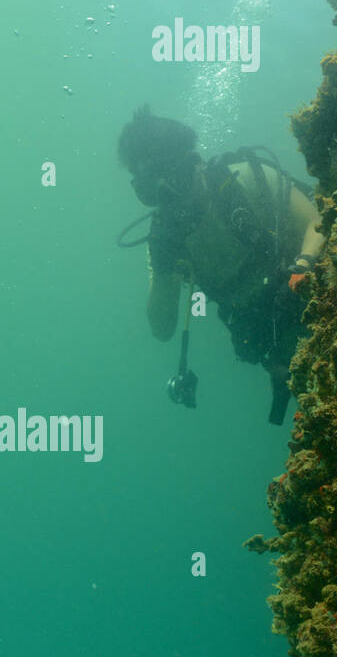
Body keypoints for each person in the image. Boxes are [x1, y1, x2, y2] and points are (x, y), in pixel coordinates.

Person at [117, 106, 324, 425]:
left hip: (317, 292)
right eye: (151, 190)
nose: (170, 196)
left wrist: (303, 266)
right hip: (266, 336)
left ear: (195, 163)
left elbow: (316, 221)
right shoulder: (166, 244)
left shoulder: (248, 180)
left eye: (176, 178)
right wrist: (161, 266)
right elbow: (161, 329)